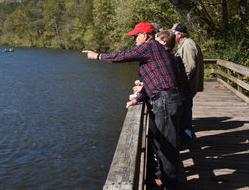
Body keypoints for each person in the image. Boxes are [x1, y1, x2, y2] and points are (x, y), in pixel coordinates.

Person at [83, 22, 184, 189]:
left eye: (136, 36)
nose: (134, 39)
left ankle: (170, 186)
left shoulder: (150, 46)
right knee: (159, 142)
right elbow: (157, 80)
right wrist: (139, 97)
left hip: (165, 101)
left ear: (145, 35)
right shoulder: (160, 51)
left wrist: (98, 56)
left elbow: (123, 56)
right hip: (169, 99)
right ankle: (161, 179)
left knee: (167, 147)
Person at [172, 23, 204, 144]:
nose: (172, 35)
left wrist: (181, 83)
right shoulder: (184, 44)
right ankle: (186, 138)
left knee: (185, 115)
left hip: (187, 87)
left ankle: (187, 140)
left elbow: (190, 67)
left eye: (174, 33)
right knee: (184, 113)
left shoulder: (188, 44)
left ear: (179, 34)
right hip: (187, 86)